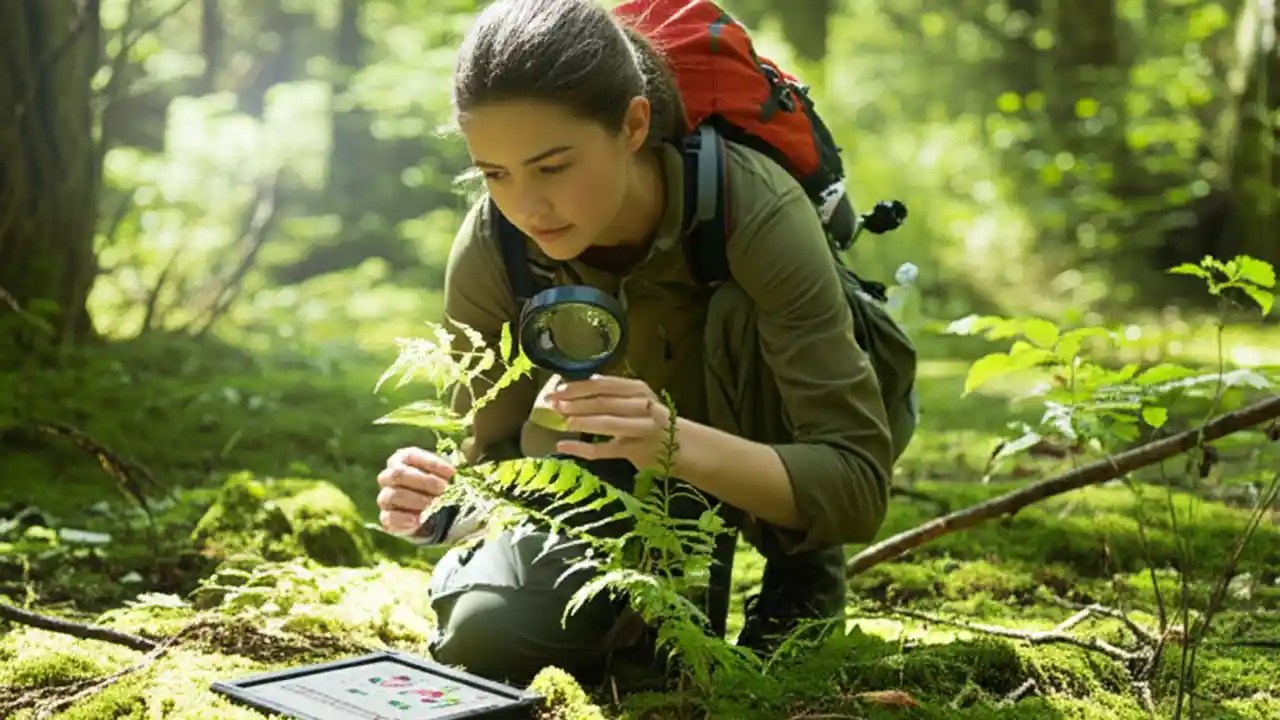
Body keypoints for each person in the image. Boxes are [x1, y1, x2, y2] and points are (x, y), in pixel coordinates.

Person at [374, 0, 903, 687]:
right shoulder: (494, 247)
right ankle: (661, 598)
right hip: (619, 497)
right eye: (495, 174)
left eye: (553, 166)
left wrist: (673, 442)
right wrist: (435, 509)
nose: (526, 206)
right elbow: (494, 466)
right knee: (489, 637)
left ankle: (802, 569)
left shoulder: (754, 208)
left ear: (633, 125)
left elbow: (857, 482)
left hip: (764, 443)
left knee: (738, 316)